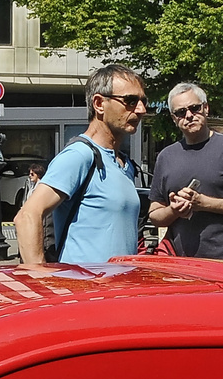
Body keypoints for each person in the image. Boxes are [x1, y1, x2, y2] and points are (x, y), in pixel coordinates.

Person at [17, 64, 145, 265]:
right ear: (99, 103)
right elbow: (27, 215)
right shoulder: (80, 155)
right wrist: (39, 273)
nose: (141, 109)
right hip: (86, 290)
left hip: (120, 290)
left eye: (143, 101)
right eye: (130, 101)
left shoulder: (124, 163)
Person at [148, 83, 223, 260]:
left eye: (194, 108)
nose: (188, 115)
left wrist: (204, 203)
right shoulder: (166, 156)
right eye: (181, 112)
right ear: (174, 118)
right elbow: (155, 214)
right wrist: (174, 210)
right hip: (179, 264)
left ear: (206, 108)